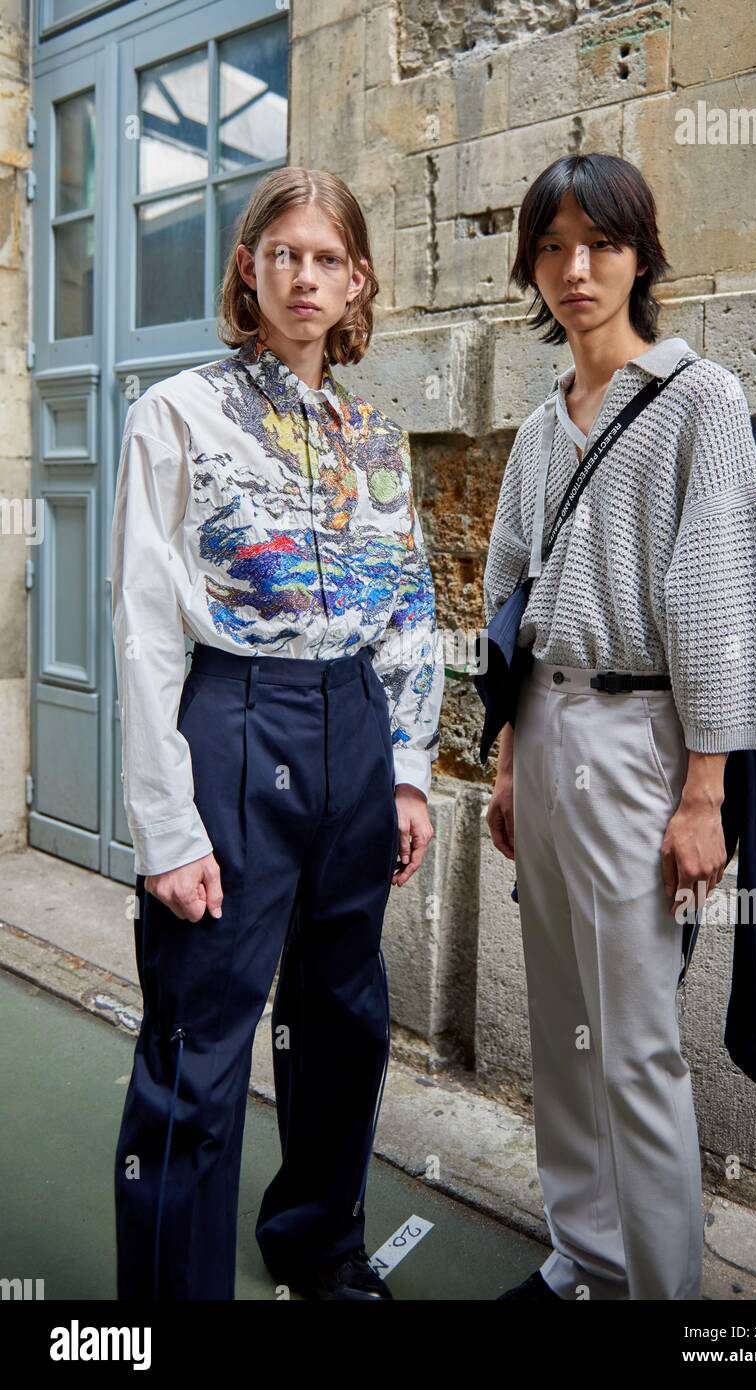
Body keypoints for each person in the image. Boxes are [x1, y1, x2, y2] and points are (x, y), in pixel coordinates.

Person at [110, 166, 444, 1301]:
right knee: (201, 1038)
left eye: (330, 259)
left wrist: (407, 770)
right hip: (235, 719)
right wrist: (165, 823)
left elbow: (409, 606)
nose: (307, 277)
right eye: (285, 253)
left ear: (359, 284)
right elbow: (147, 627)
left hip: (354, 723)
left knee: (343, 1019)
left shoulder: (380, 442)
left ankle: (315, 1244)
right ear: (248, 268)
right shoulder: (176, 413)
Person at [483, 153, 756, 1300]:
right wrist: (508, 761)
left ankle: (667, 1294)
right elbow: (507, 600)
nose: (575, 269)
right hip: (548, 732)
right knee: (561, 1015)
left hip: (639, 737)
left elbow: (717, 609)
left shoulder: (695, 399)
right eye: (552, 248)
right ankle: (584, 1254)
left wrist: (704, 794)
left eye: (598, 244)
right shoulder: (538, 425)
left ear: (638, 253)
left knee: (637, 1039)